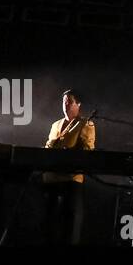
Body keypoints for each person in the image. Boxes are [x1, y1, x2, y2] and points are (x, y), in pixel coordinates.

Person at [42, 89, 95, 245]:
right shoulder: (55, 125)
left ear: (78, 104)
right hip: (51, 179)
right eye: (64, 101)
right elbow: (46, 148)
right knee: (49, 224)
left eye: (69, 101)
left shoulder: (86, 123)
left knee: (69, 225)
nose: (65, 104)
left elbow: (87, 151)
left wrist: (69, 153)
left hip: (70, 179)